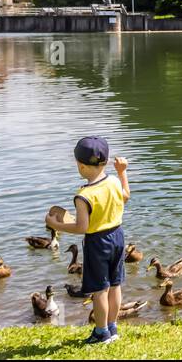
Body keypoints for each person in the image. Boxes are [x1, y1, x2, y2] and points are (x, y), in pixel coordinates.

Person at [46, 136, 129, 344]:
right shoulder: (113, 181)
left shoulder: (83, 195)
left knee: (100, 290)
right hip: (118, 237)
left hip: (97, 242)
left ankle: (101, 333)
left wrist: (56, 225)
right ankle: (112, 327)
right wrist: (122, 172)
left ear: (81, 166)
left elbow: (81, 227)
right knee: (115, 284)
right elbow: (125, 195)